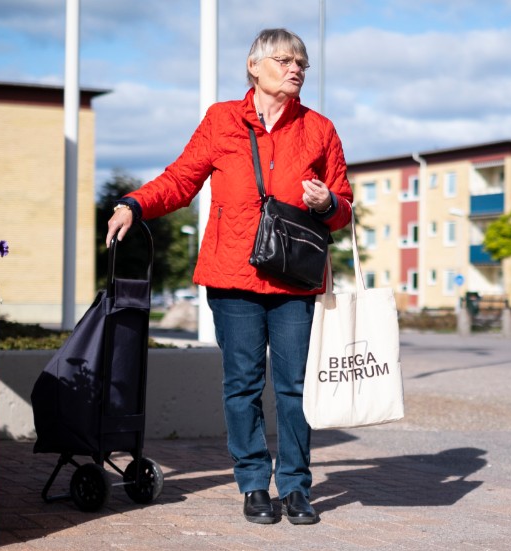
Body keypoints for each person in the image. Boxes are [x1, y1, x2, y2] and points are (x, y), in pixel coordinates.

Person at [106, 28, 353, 526]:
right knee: (242, 384)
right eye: (284, 60)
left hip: (293, 279)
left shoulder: (319, 129)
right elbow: (181, 179)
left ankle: (296, 486)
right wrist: (135, 203)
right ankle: (254, 484)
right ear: (254, 66)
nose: (295, 69)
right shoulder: (222, 120)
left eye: (301, 63)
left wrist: (329, 202)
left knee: (294, 386)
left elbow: (344, 207)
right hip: (232, 275)